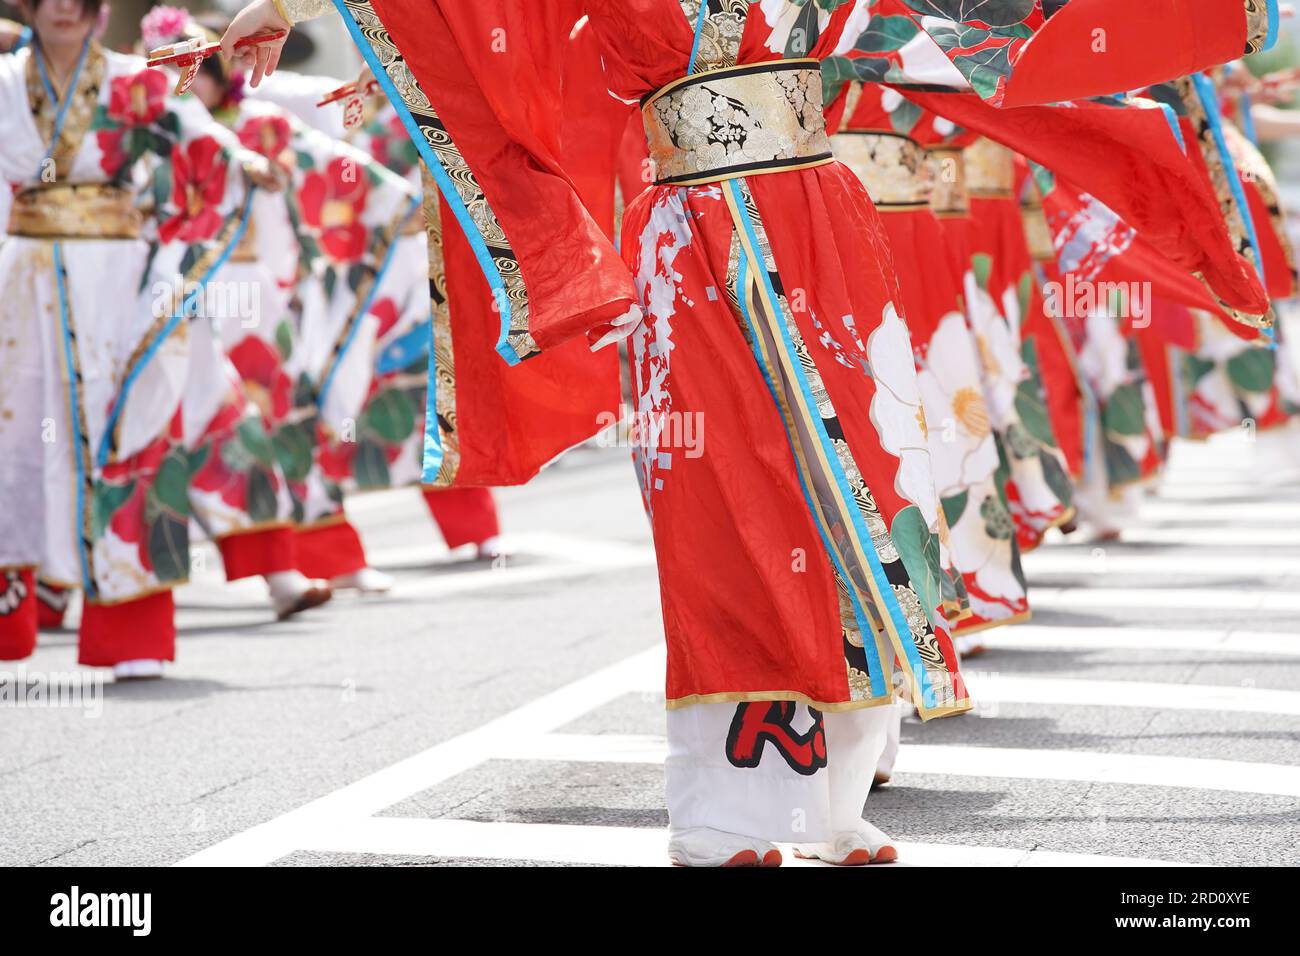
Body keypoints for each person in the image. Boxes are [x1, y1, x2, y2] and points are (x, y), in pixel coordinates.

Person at [219, 0, 1281, 866]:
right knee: (722, 509)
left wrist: (1215, 27)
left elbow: (992, 36)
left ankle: (829, 797)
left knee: (873, 490)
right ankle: (723, 809)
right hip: (693, 241)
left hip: (827, 228)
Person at [0, 0, 277, 677]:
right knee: (14, 437)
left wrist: (239, 154)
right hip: (22, 274)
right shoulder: (6, 82)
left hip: (115, 280)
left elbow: (194, 130)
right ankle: (14, 617)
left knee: (126, 429)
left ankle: (133, 633)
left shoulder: (133, 79)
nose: (64, 7)